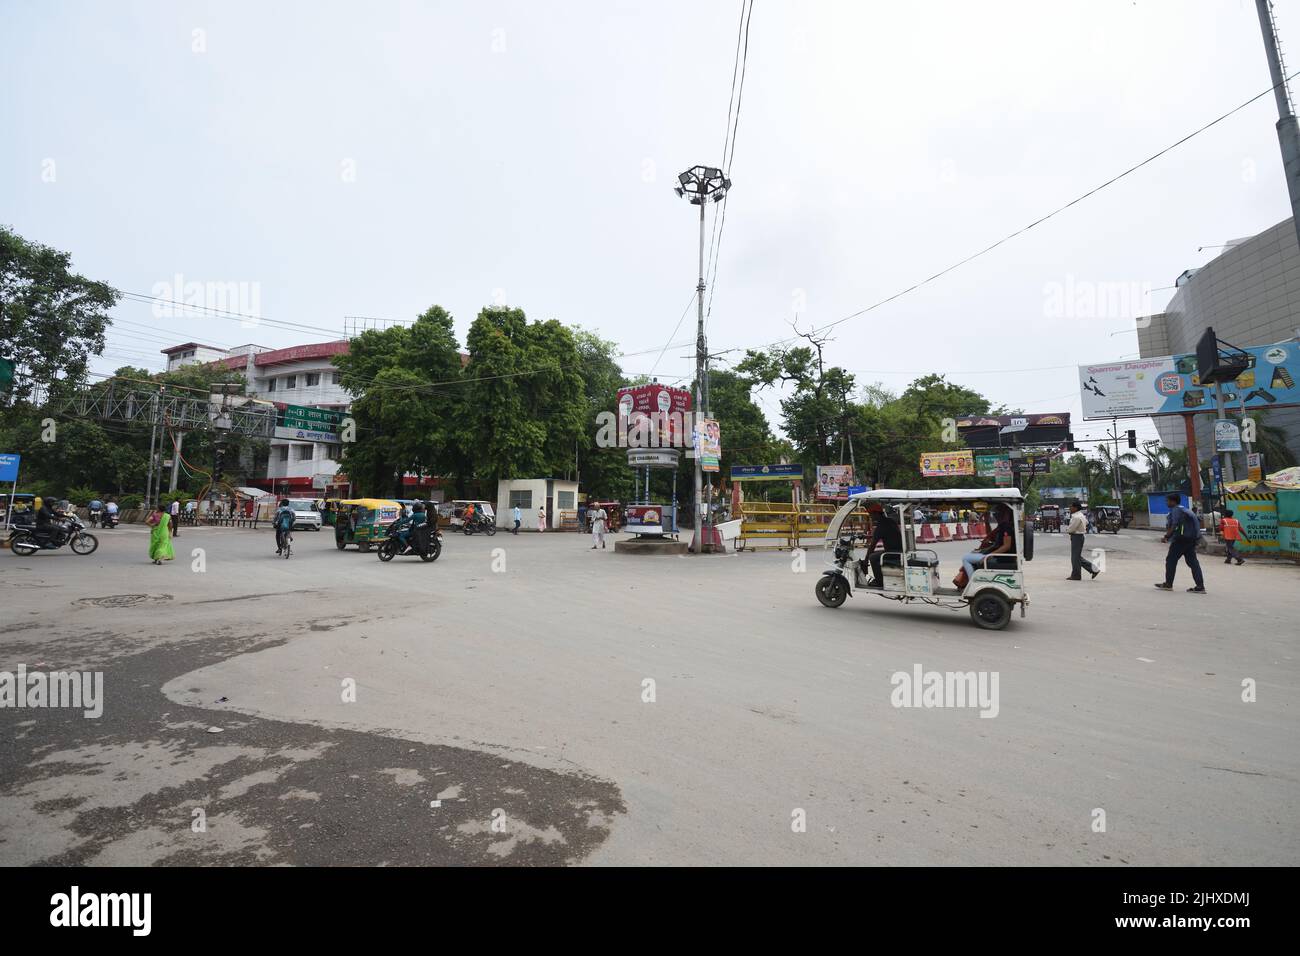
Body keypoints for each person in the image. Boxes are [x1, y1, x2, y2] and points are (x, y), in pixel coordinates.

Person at [956, 504, 1015, 588]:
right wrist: (986, 521)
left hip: (1002, 558)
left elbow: (1006, 546)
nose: (996, 515)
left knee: (966, 558)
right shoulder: (1002, 526)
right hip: (1000, 556)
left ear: (1005, 513)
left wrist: (988, 556)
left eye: (998, 513)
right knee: (972, 554)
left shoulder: (1006, 527)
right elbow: (990, 535)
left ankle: (972, 583)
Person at [1155, 494, 1205, 593]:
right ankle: (1200, 586)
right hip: (1191, 540)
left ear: (1173, 501)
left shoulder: (1176, 510)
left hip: (1180, 540)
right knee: (1193, 562)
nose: (1167, 503)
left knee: (1171, 560)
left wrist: (1166, 536)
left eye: (1168, 501)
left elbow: (1174, 525)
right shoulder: (1185, 510)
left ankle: (1168, 584)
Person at [865, 506, 903, 587]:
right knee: (876, 555)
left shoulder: (881, 525)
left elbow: (872, 545)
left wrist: (865, 561)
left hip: (893, 552)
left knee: (872, 557)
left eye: (871, 514)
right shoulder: (889, 521)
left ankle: (879, 582)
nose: (870, 517)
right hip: (898, 550)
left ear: (876, 514)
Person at [1066, 500, 1100, 581]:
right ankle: (1093, 569)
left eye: (1071, 507)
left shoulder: (1076, 517)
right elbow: (1087, 523)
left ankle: (1076, 575)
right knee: (1076, 557)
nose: (1070, 508)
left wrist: (1068, 530)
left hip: (1076, 537)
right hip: (1079, 536)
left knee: (1075, 557)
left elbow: (1071, 529)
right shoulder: (1081, 515)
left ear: (1075, 508)